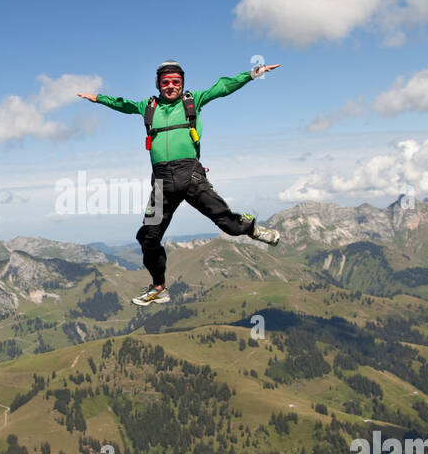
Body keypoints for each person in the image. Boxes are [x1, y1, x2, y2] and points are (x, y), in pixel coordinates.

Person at [77, 60, 282, 306]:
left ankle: (252, 228)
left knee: (228, 224)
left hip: (191, 178)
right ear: (158, 84)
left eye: (176, 82)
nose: (171, 86)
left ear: (182, 83)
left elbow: (223, 87)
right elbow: (125, 104)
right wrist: (98, 98)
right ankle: (158, 288)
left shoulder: (192, 100)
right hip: (162, 184)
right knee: (148, 237)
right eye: (165, 82)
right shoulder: (148, 106)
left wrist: (251, 74)